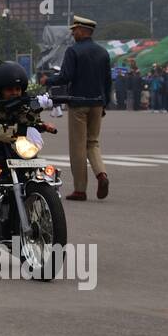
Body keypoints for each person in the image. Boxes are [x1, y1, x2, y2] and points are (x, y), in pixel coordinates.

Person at [45, 15, 111, 201]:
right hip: (97, 103)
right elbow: (107, 82)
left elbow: (65, 77)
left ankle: (80, 190)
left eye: (75, 30)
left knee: (78, 147)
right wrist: (104, 103)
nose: (73, 33)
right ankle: (101, 174)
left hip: (78, 104)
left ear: (83, 31)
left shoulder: (73, 51)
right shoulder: (102, 52)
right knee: (93, 142)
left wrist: (48, 80)